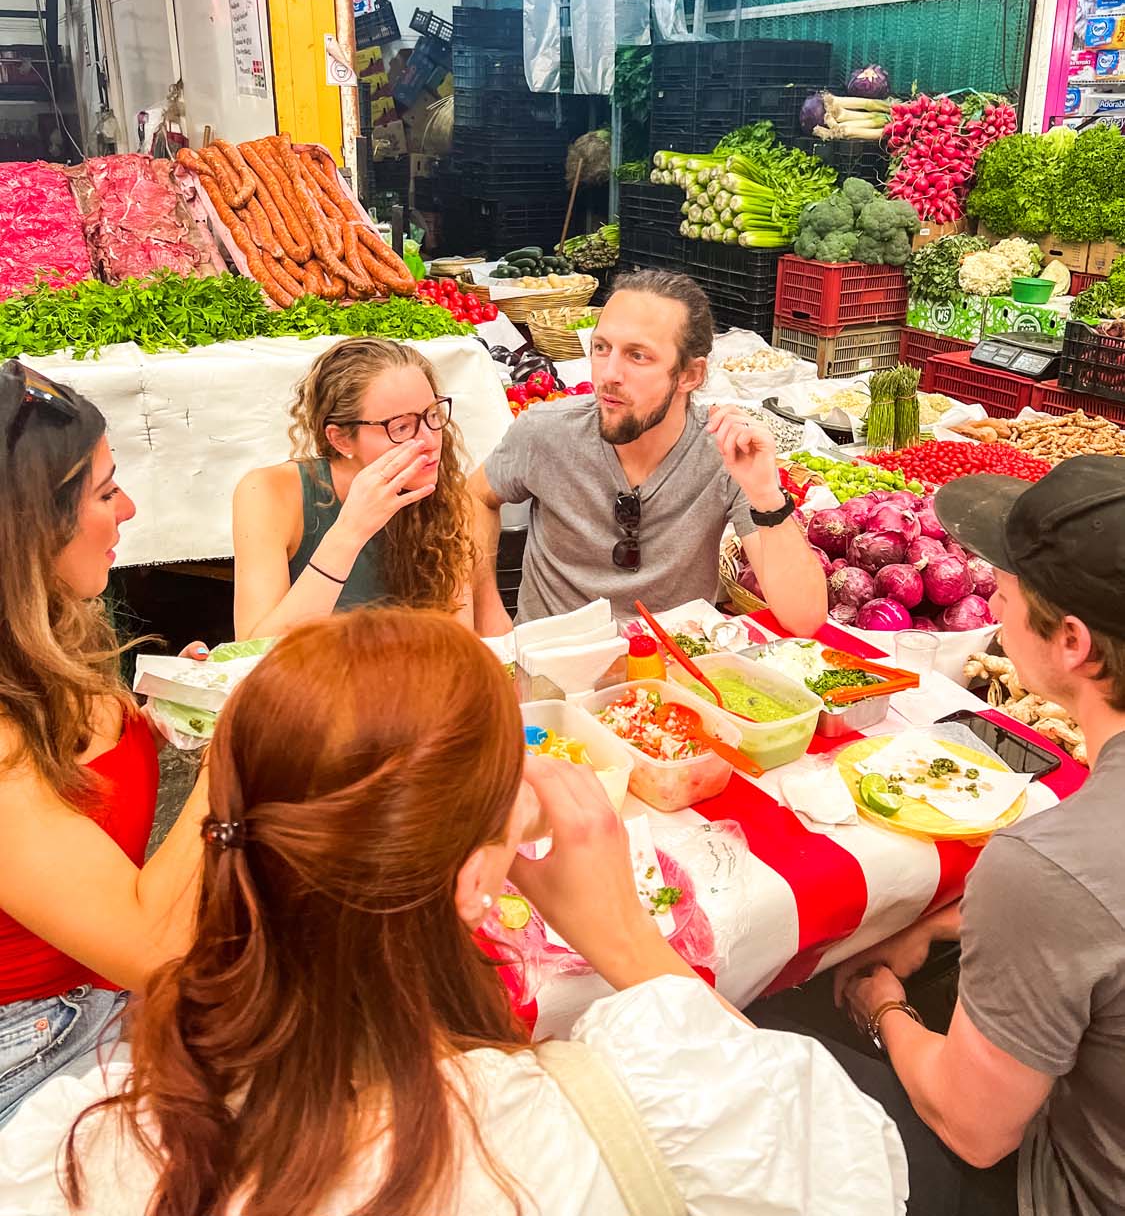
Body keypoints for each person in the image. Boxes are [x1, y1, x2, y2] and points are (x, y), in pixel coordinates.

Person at [1, 608, 908, 1215]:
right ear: (478, 881)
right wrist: (624, 936)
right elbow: (847, 1155)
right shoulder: (618, 1113)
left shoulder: (77, 1152)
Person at [832, 455, 1125, 1216]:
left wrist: (880, 1005)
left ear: (1070, 642)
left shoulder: (1044, 862)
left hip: (1071, 1189)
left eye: (1004, 584)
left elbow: (975, 1129)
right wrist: (948, 922)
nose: (988, 595)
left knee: (787, 1061)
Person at [0, 362, 208, 1128]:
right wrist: (231, 752)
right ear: (28, 528)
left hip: (98, 1005)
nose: (129, 508)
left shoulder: (51, 634)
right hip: (35, 1056)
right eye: (104, 491)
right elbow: (155, 949)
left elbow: (89, 780)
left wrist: (180, 711)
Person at [471, 269, 827, 632]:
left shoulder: (723, 452)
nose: (609, 373)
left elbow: (804, 619)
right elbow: (474, 496)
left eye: (637, 356)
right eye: (601, 347)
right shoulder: (545, 432)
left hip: (670, 671)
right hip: (550, 666)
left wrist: (766, 496)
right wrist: (487, 612)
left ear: (690, 375)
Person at [232, 336, 475, 639]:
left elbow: (460, 647)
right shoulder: (269, 493)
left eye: (432, 415)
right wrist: (350, 531)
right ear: (341, 439)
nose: (429, 441)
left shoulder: (445, 499)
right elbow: (254, 654)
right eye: (401, 427)